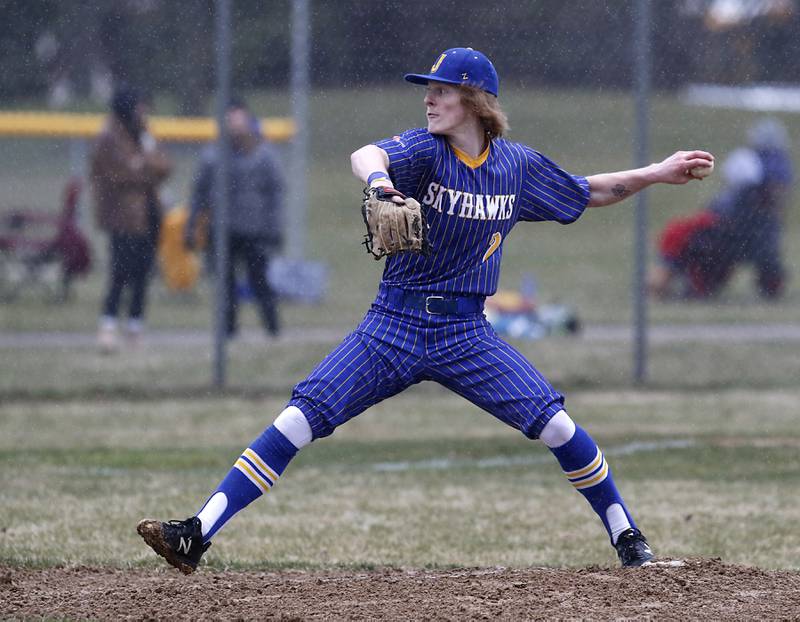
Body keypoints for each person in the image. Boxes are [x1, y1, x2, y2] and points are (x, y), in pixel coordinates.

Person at [138, 47, 714, 572]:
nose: (430, 98)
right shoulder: (422, 151)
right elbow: (366, 154)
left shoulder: (513, 166)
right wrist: (384, 186)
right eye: (429, 89)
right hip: (394, 323)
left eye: (442, 89)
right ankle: (195, 533)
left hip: (466, 332)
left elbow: (587, 190)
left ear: (476, 101)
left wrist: (658, 173)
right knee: (299, 417)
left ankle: (628, 539)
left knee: (558, 425)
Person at [650, 117, 793, 300]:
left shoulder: (760, 167)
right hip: (729, 224)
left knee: (679, 233)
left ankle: (663, 280)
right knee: (680, 233)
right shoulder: (758, 165)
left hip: (730, 225)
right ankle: (664, 280)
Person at [184, 98, 285, 338]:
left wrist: (274, 227)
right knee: (224, 285)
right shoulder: (213, 155)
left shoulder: (263, 154)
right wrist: (191, 226)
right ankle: (228, 331)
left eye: (239, 119)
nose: (235, 126)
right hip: (221, 231)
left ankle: (272, 329)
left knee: (259, 280)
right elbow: (199, 193)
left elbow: (276, 193)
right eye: (230, 119)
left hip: (254, 230)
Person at [91, 85, 172, 352]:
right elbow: (119, 175)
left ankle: (135, 327)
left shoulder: (145, 135)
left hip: (148, 215)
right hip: (122, 218)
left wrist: (143, 163)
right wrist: (144, 167)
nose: (144, 111)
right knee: (120, 272)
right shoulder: (109, 136)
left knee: (143, 273)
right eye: (139, 106)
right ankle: (108, 326)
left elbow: (165, 166)